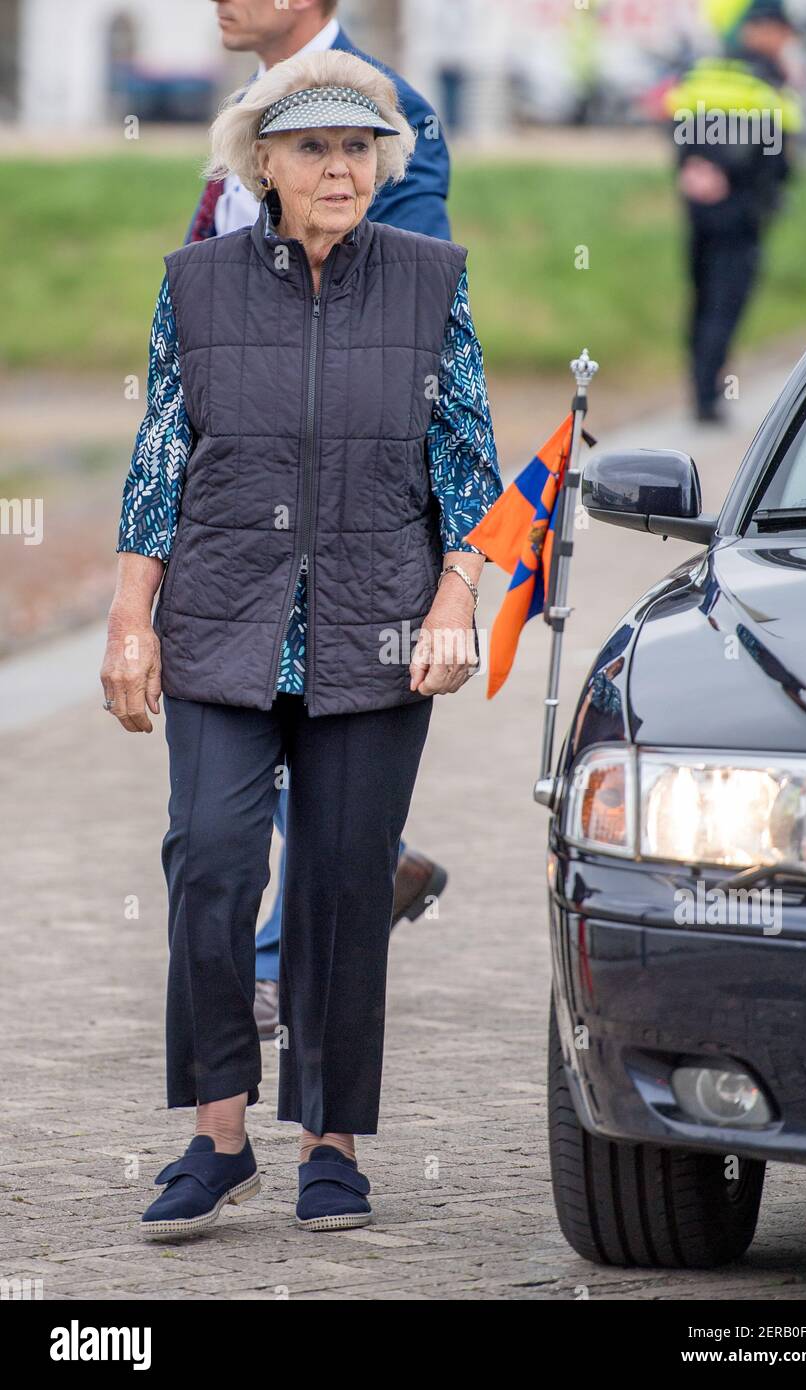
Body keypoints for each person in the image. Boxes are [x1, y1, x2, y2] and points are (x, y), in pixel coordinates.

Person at [102, 48, 502, 1237]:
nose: (341, 167)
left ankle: (330, 1141)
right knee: (213, 863)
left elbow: (469, 462)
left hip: (378, 621)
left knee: (340, 880)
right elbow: (159, 459)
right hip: (222, 618)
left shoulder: (430, 281)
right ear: (261, 164)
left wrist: (454, 600)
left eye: (359, 148)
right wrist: (130, 615)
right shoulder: (200, 281)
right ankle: (216, 1134)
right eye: (315, 148)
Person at [192, 2, 454, 1039]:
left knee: (320, 703)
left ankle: (279, 960)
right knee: (259, 717)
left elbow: (404, 303)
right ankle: (371, 861)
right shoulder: (250, 113)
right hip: (238, 489)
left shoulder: (390, 111)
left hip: (342, 487)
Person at [666, 0, 802, 423]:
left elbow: (676, 125)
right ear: (759, 29)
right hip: (743, 210)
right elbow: (779, 151)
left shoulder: (704, 70)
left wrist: (697, 169)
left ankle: (700, 388)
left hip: (698, 202)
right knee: (727, 300)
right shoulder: (768, 80)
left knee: (702, 295)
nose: (785, 40)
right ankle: (707, 398)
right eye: (780, 30)